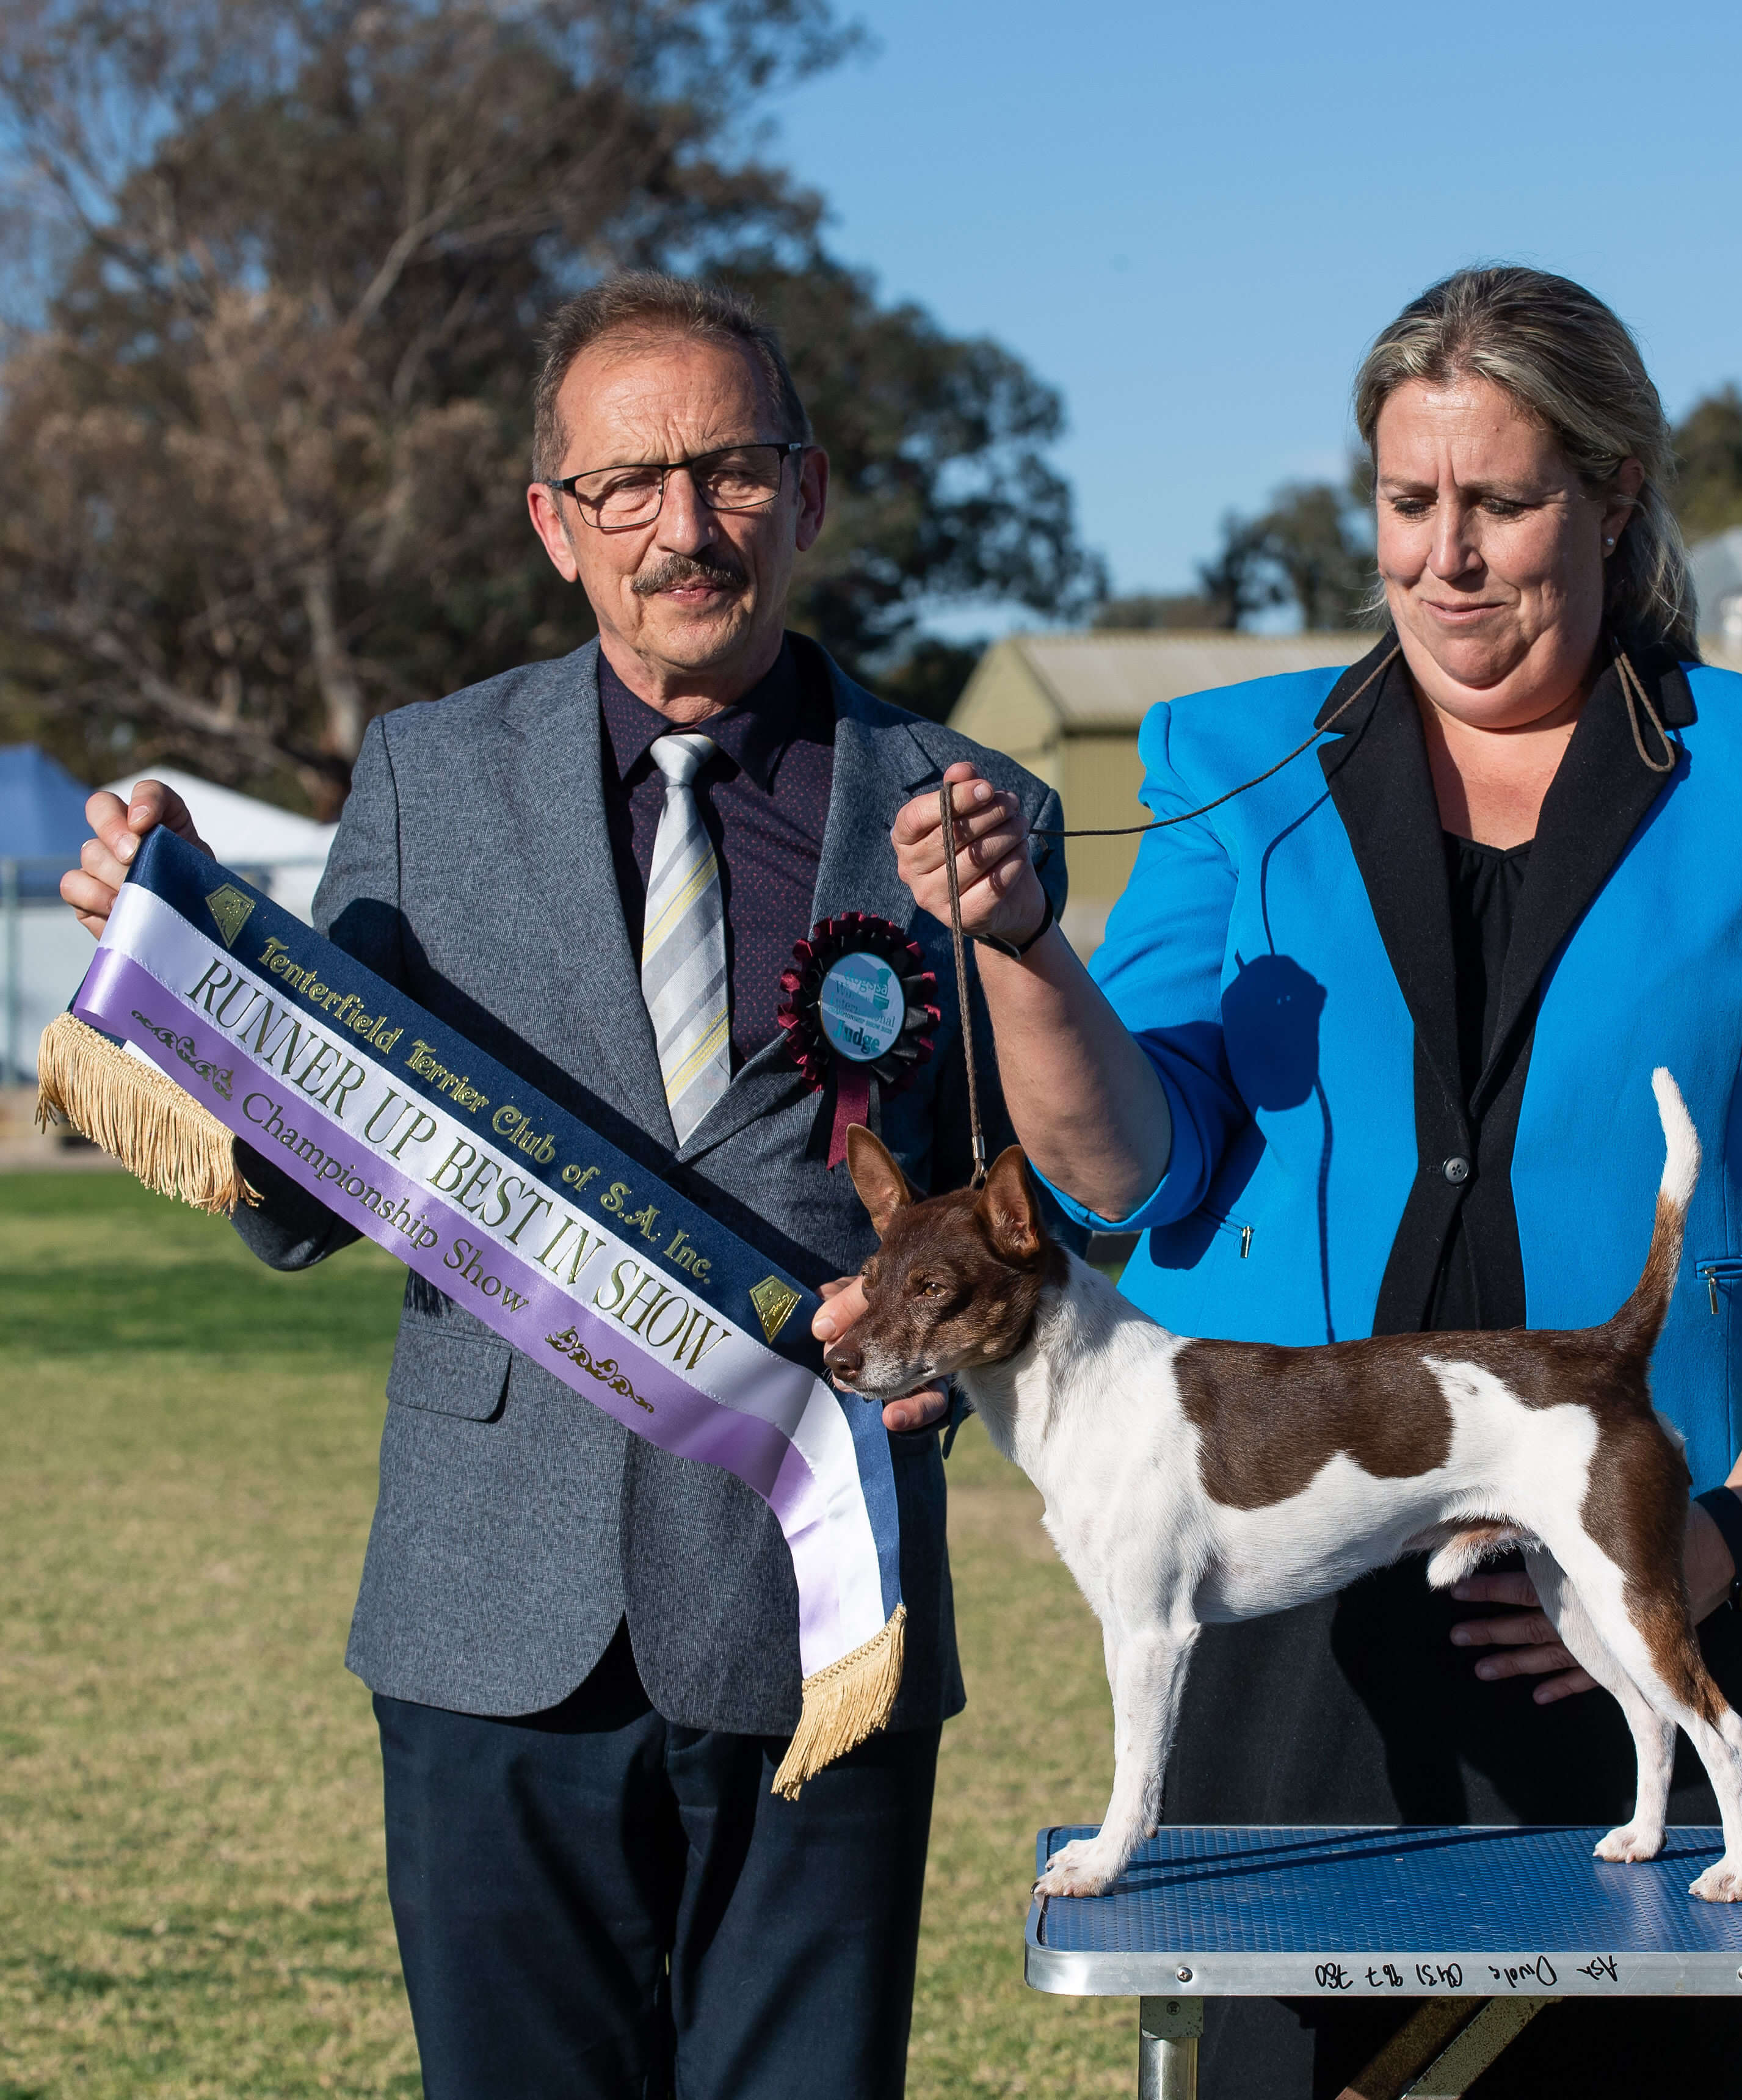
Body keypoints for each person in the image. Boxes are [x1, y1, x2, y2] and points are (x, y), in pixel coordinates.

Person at [854, 266, 1742, 2099]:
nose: (1447, 558)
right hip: (1294, 1637)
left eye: (1503, 502)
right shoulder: (1225, 765)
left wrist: (1719, 1543)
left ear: (1614, 500)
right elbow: (1128, 1163)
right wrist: (1021, 948)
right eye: (1408, 502)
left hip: (1672, 1575)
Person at [62, 271, 1059, 2100]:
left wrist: (953, 1347)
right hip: (486, 1602)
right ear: (553, 522)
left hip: (819, 1598)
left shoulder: (969, 805)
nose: (686, 527)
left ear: (808, 492)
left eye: (732, 471)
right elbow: (301, 1200)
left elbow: (1036, 1206)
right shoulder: (425, 776)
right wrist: (199, 973)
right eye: (628, 483)